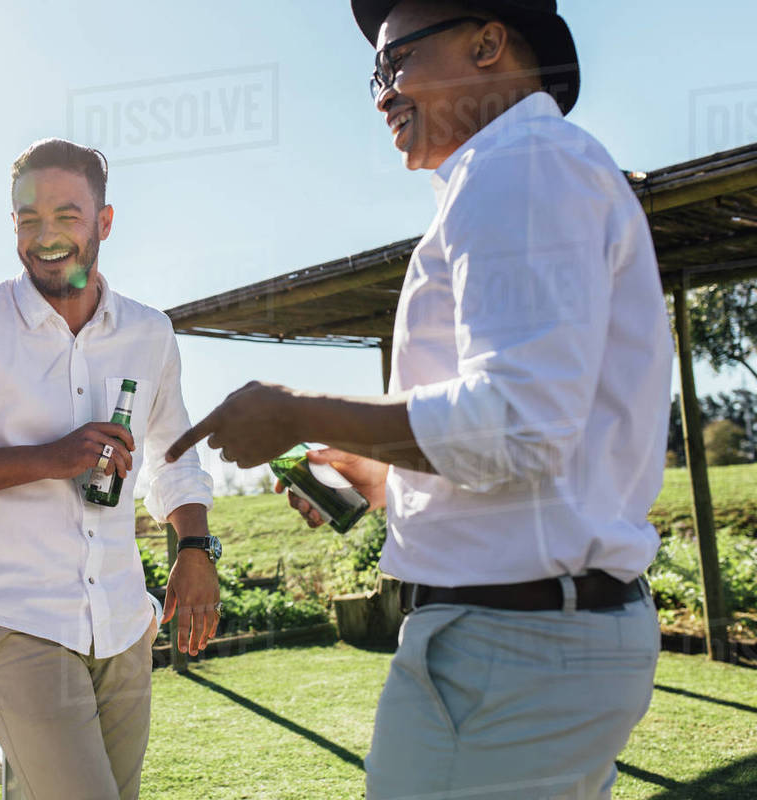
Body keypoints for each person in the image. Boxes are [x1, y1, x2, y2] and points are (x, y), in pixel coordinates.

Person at [166, 1, 672, 797]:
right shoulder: (529, 165)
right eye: (377, 72)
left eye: (394, 61)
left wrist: (296, 410)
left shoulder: (520, 162)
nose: (380, 95)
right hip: (537, 640)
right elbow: (533, 445)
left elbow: (518, 426)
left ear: (487, 43)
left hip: (509, 650)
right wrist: (388, 480)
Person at [0, 138, 219, 800]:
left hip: (120, 623)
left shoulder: (149, 334)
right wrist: (49, 458)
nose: (46, 235)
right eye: (28, 218)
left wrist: (195, 546)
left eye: (67, 215)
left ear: (104, 223)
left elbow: (174, 451)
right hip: (13, 622)